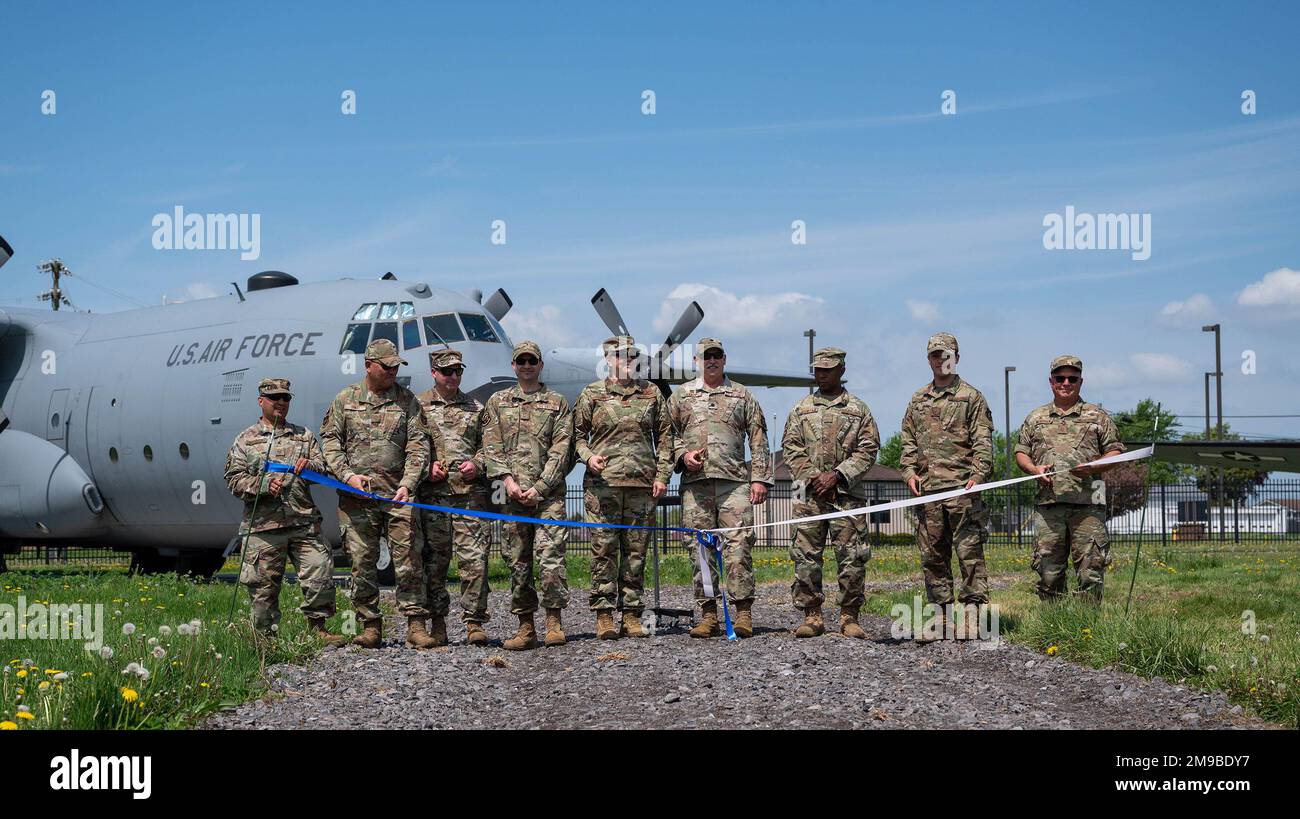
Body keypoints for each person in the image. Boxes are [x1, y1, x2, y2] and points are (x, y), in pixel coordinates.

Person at [320, 339, 431, 648]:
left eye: (397, 366)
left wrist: (408, 484)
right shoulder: (345, 400)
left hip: (398, 497)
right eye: (387, 366)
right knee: (361, 562)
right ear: (368, 365)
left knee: (409, 560)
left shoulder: (407, 401)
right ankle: (370, 626)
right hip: (357, 500)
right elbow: (330, 442)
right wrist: (347, 476)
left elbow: (419, 447)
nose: (393, 371)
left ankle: (416, 625)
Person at [224, 378, 346, 645]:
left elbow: (325, 469)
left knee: (319, 572)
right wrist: (263, 485)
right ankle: (264, 640)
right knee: (262, 587)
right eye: (274, 398)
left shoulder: (303, 436)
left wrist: (310, 466)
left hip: (303, 522)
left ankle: (318, 629)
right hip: (263, 527)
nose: (281, 402)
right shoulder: (246, 440)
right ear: (261, 401)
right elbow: (234, 479)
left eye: (286, 398)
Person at [668, 337, 772, 638]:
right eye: (705, 356)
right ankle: (709, 614)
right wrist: (682, 455)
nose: (711, 360)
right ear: (696, 361)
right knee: (700, 550)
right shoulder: (682, 396)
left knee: (738, 547)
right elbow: (666, 435)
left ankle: (743, 614)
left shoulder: (742, 396)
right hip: (696, 485)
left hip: (734, 484)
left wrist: (759, 478)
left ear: (724, 360)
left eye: (717, 356)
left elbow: (759, 438)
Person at [573, 335, 673, 640]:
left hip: (642, 486)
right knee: (603, 551)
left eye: (632, 356)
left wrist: (663, 475)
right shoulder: (592, 394)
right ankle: (604, 616)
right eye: (621, 356)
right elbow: (576, 438)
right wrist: (589, 458)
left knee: (636, 552)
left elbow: (666, 437)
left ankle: (631, 614)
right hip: (603, 486)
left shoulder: (651, 394)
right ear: (608, 359)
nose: (627, 361)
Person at [900, 333, 995, 640]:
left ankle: (972, 616)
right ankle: (940, 618)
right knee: (932, 556)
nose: (940, 360)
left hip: (962, 491)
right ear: (928, 359)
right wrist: (909, 473)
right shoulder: (918, 399)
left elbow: (983, 443)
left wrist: (978, 477)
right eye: (934, 355)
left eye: (945, 354)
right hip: (928, 492)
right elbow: (908, 442)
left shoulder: (972, 397)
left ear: (957, 356)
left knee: (969, 554)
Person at [482, 340, 574, 650]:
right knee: (517, 563)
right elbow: (491, 446)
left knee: (551, 560)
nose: (526, 366)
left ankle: (553, 623)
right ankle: (525, 627)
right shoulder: (498, 402)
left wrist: (541, 487)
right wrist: (509, 482)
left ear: (540, 365)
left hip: (548, 497)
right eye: (521, 361)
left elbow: (562, 449)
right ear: (513, 365)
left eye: (532, 361)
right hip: (513, 497)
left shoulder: (557, 402)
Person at [781, 347, 880, 639]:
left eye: (828, 369)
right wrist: (814, 477)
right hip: (806, 493)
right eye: (818, 370)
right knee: (805, 556)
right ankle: (812, 615)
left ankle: (849, 616)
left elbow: (869, 449)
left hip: (846, 493)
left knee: (852, 556)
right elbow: (790, 447)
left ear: (841, 371)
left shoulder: (858, 410)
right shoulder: (800, 409)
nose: (822, 374)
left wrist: (836, 476)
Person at [1015, 355, 1126, 602]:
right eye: (1060, 378)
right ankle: (1052, 624)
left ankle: (1087, 626)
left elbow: (1116, 451)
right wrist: (1034, 469)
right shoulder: (1036, 417)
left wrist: (1094, 466)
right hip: (1049, 504)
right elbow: (1021, 452)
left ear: (1081, 381)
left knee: (1090, 569)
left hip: (1089, 505)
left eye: (1072, 378)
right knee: (1048, 570)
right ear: (1051, 381)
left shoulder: (1098, 416)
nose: (1066, 383)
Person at [416, 348, 491, 646]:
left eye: (458, 371)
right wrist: (426, 466)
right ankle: (437, 623)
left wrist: (478, 464)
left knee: (475, 561)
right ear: (434, 372)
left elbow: (490, 447)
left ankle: (474, 623)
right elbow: (410, 445)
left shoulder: (477, 408)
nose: (453, 376)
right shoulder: (417, 406)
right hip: (433, 497)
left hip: (469, 497)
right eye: (447, 371)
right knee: (435, 562)